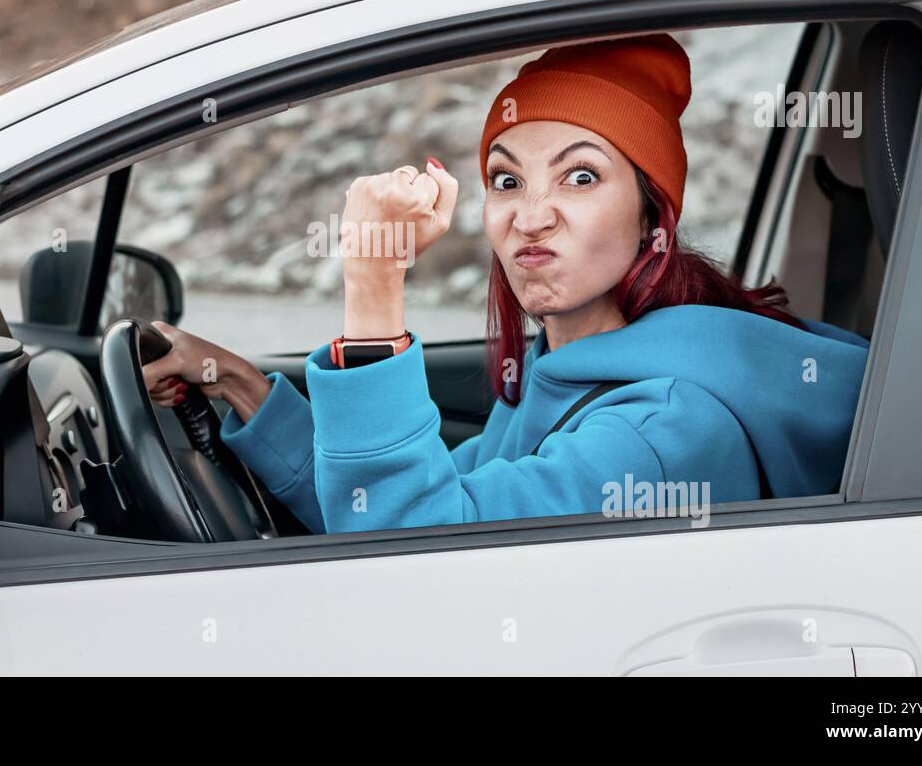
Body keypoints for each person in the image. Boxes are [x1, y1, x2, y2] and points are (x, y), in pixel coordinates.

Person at [142, 33, 869, 534]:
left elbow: (406, 549)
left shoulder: (658, 431)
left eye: (581, 177)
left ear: (653, 213)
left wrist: (373, 278)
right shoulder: (570, 371)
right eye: (506, 179)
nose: (532, 215)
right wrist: (233, 381)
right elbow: (393, 497)